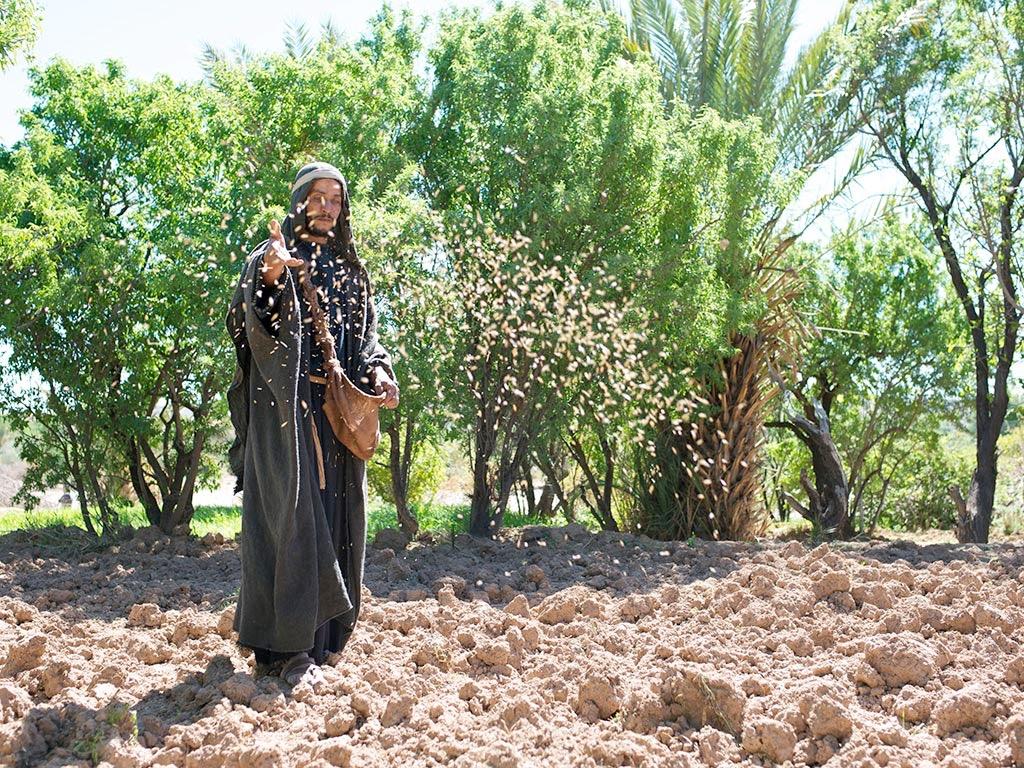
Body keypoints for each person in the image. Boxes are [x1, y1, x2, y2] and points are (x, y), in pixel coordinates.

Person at [225, 161, 399, 686]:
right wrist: (270, 277)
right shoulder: (271, 258)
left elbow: (367, 339)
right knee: (294, 526)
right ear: (299, 202)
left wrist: (379, 371)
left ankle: (322, 646)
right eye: (317, 197)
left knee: (339, 525)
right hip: (287, 419)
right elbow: (246, 323)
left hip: (335, 419)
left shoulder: (352, 271)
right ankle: (287, 650)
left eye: (335, 199)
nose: (327, 207)